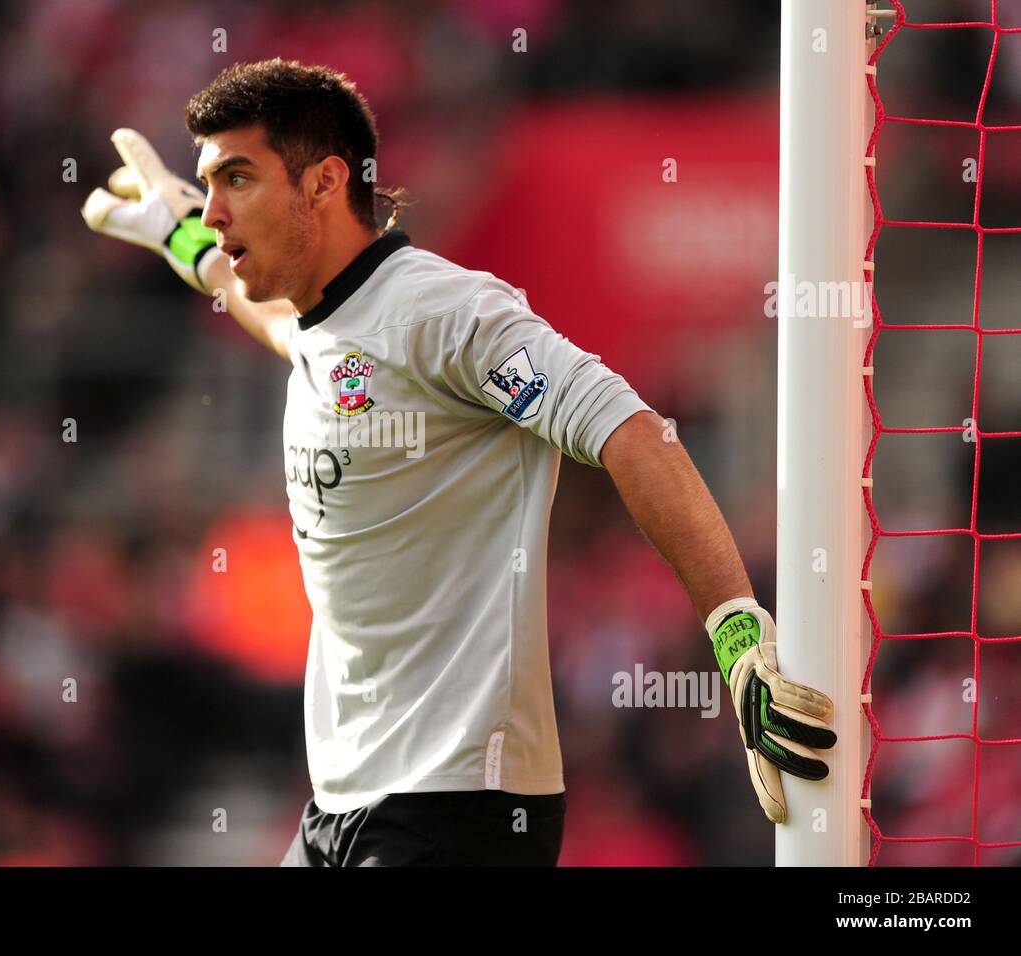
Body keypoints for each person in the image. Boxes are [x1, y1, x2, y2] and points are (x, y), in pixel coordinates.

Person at [82, 58, 837, 866]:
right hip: (339, 810)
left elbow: (633, 432)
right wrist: (180, 233)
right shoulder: (321, 324)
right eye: (208, 182)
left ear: (324, 183)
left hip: (458, 811)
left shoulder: (448, 315)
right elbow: (267, 317)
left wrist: (735, 638)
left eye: (238, 177)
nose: (219, 206)